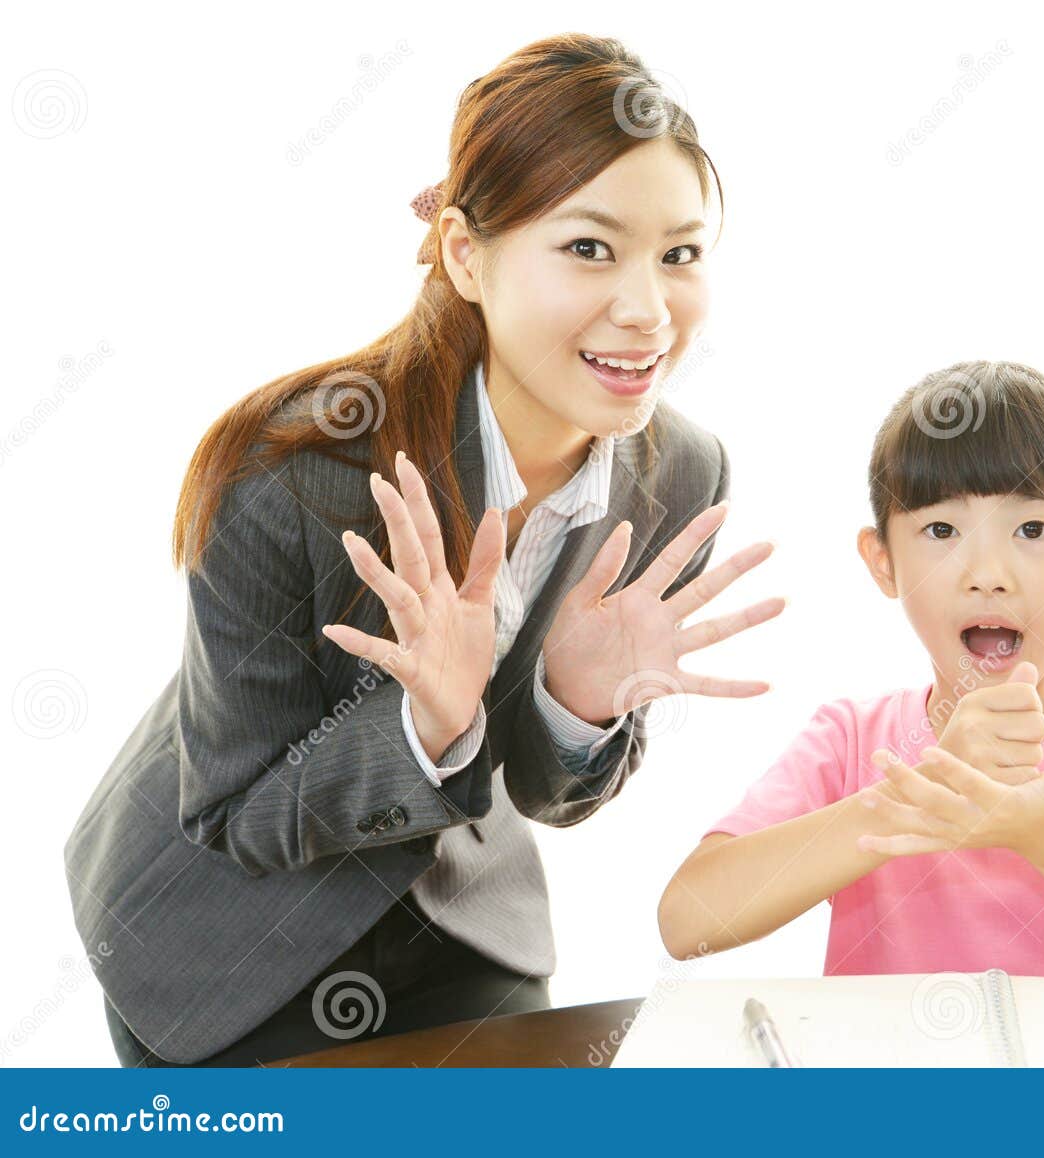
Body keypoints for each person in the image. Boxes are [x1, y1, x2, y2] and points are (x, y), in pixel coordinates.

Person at [67, 33, 784, 1066]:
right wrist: (424, 725)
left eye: (679, 253)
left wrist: (571, 706)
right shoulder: (287, 478)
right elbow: (235, 813)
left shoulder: (678, 475)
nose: (646, 310)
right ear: (464, 253)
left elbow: (548, 795)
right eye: (588, 247)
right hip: (225, 933)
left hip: (459, 906)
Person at [658, 361, 1044, 980]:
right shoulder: (851, 740)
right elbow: (687, 923)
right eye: (941, 529)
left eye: (1031, 529)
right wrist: (912, 799)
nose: (987, 572)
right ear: (883, 563)